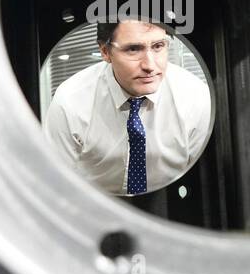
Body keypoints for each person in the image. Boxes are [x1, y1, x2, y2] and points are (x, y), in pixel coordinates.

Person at [44, 18, 212, 196]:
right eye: (133, 49)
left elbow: (204, 180)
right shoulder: (70, 100)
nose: (150, 65)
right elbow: (55, 182)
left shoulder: (195, 96)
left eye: (158, 46)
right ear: (105, 52)